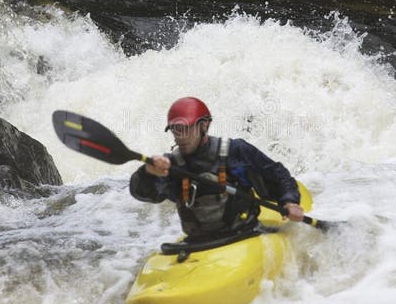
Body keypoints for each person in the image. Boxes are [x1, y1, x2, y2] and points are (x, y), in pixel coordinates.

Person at [129, 96, 304, 241]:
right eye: (175, 130)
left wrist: (290, 201)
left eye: (186, 129)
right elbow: (142, 194)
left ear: (204, 125)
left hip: (245, 233)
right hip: (198, 243)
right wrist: (148, 173)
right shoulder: (170, 165)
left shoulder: (235, 150)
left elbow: (279, 175)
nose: (180, 137)